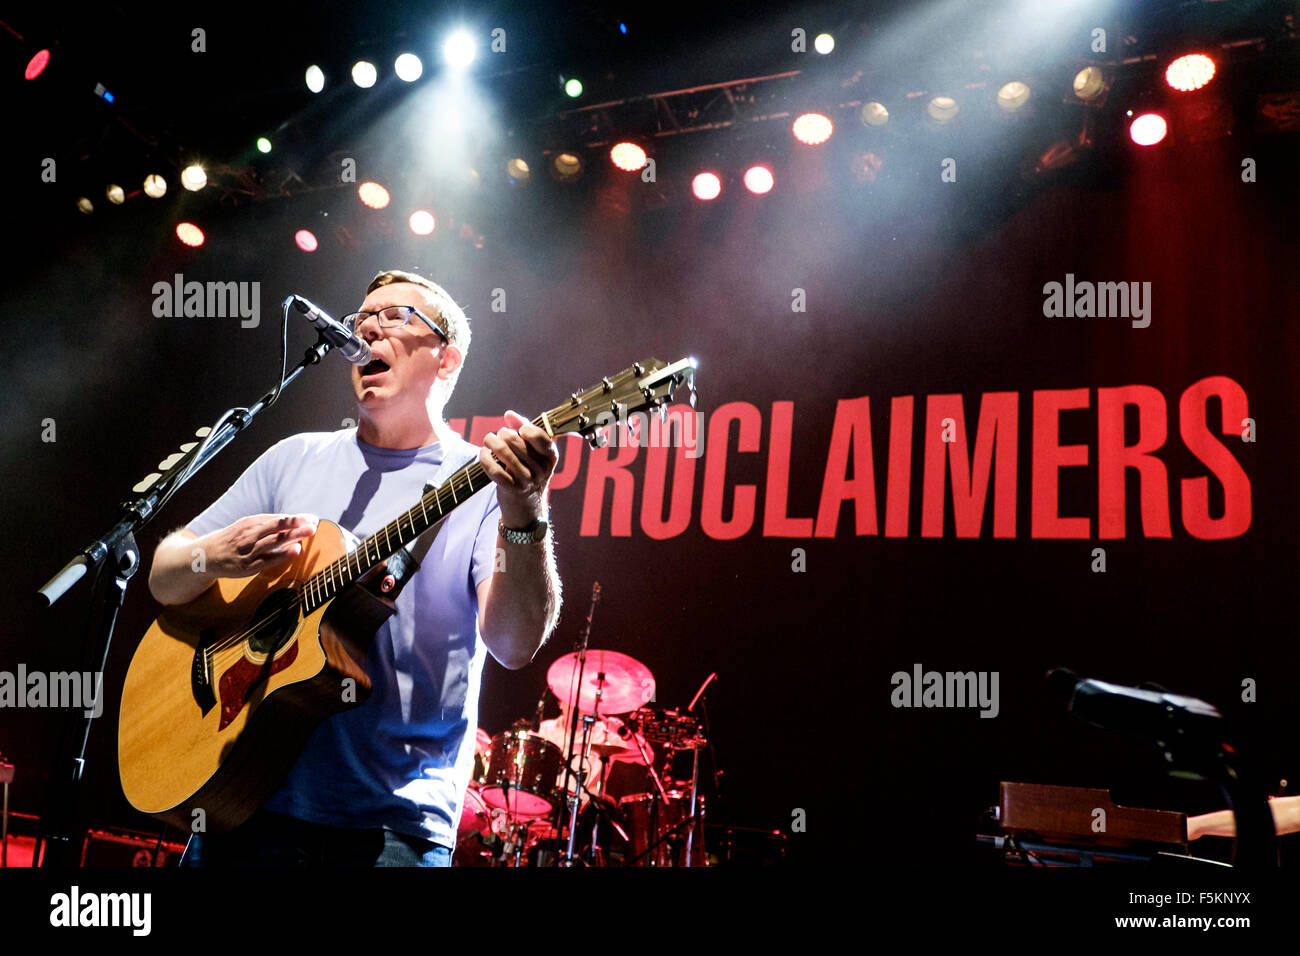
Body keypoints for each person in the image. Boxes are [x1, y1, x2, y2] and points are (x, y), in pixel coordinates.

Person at [148, 268, 562, 866]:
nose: (367, 328)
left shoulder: (483, 485)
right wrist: (210, 555)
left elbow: (514, 644)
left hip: (391, 829)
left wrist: (525, 511)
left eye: (394, 317)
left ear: (445, 361)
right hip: (239, 794)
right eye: (361, 318)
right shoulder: (293, 457)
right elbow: (164, 575)